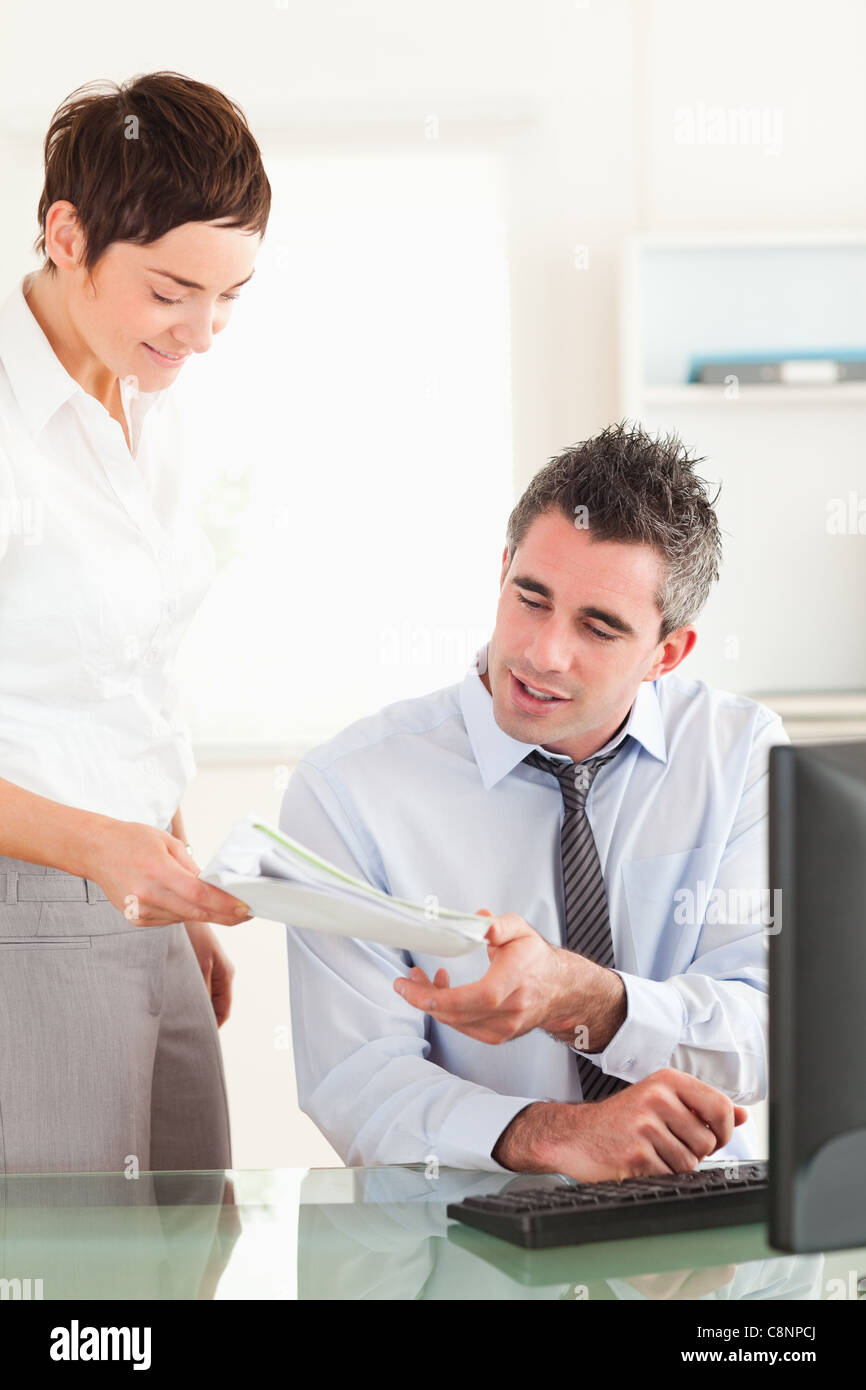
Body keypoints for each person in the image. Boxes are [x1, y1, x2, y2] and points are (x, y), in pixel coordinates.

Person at [280, 423, 788, 1179]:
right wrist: (557, 1135)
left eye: (600, 627)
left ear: (667, 654)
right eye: (532, 599)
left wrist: (586, 1001)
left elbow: (773, 1031)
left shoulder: (741, 754)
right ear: (503, 572)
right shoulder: (350, 791)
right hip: (474, 1247)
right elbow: (356, 1083)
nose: (543, 653)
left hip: (708, 1246)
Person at [0, 71, 270, 1174]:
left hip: (138, 890)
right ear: (67, 235)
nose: (201, 331)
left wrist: (173, 875)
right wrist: (105, 850)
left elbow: (126, 682)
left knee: (183, 1252)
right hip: (34, 895)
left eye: (229, 297)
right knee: (76, 1296)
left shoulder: (146, 409)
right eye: (171, 291)